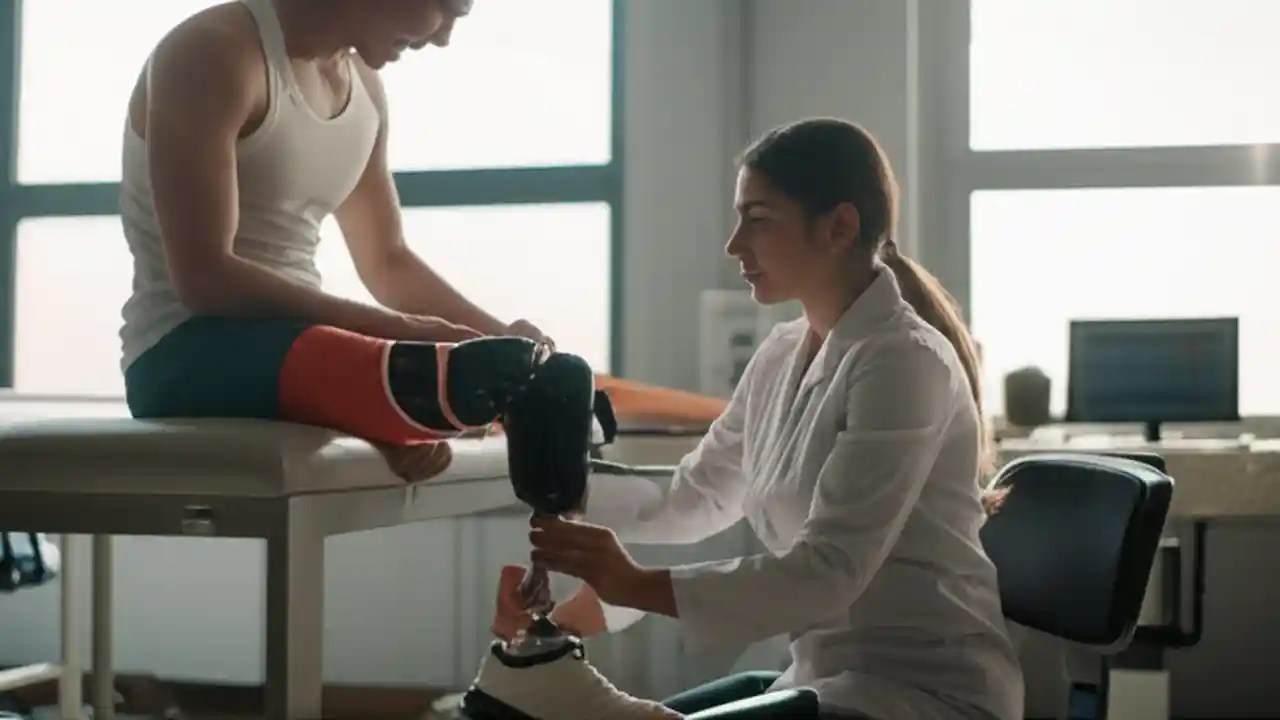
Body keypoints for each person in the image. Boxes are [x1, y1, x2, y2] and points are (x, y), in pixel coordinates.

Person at [496, 118, 1024, 719]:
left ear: (839, 227)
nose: (733, 244)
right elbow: (690, 500)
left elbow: (828, 572)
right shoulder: (780, 355)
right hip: (830, 679)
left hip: (927, 691)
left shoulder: (905, 361)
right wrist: (559, 495)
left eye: (758, 218)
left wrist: (634, 585)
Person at [117, 0, 727, 480]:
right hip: (183, 352)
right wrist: (403, 333)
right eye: (448, 7)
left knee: (519, 364)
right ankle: (409, 394)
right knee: (409, 363)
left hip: (312, 349)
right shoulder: (214, 52)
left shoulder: (363, 91)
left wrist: (500, 336)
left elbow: (389, 261)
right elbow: (206, 279)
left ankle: (437, 393)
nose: (442, 37)